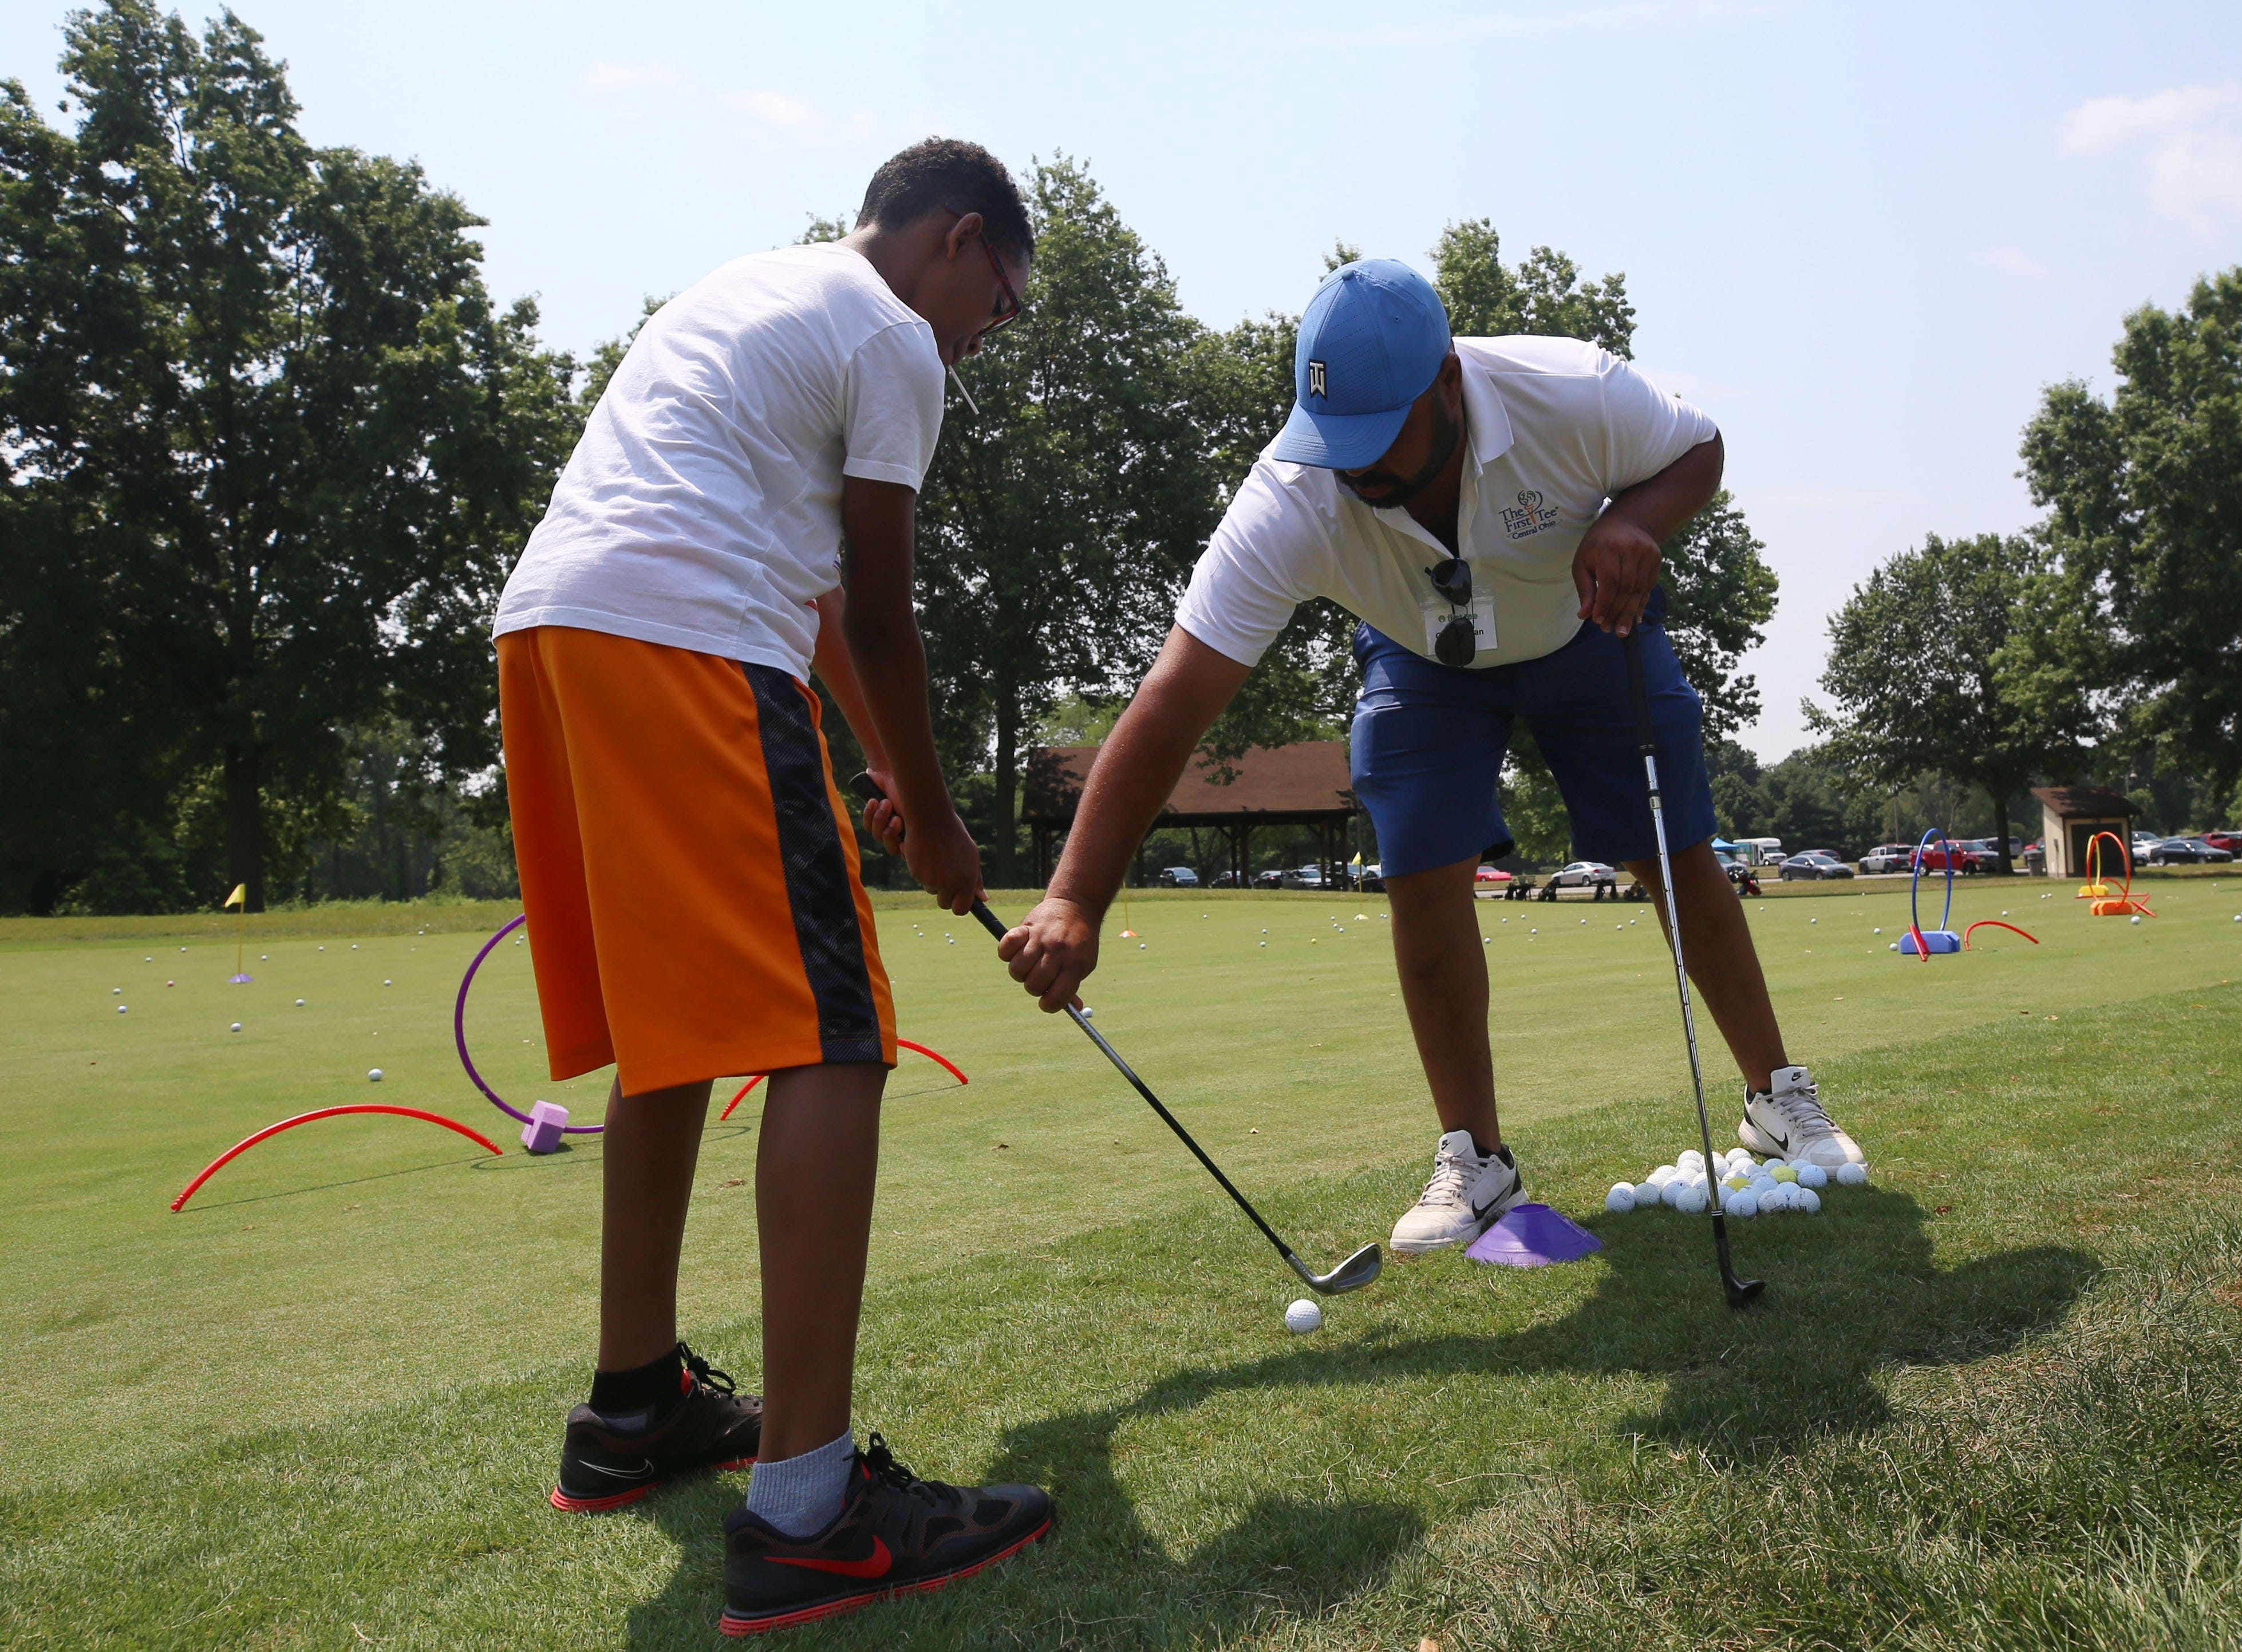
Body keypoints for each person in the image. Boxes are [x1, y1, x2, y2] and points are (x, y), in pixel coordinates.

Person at [983, 259, 1861, 1255]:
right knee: (1420, 861)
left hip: (1588, 622)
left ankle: (1774, 1096)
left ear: (1448, 381)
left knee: (1673, 847)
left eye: (1379, 439)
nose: (1357, 472)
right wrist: (1073, 898)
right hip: (1424, 656)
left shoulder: (1571, 391)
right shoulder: (1294, 496)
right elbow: (1174, 700)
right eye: (1338, 444)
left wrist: (1635, 519)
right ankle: (1475, 1156)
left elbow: (1699, 449)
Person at [491, 139, 1052, 1635]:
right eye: (998, 303)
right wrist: (936, 822)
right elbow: (878, 602)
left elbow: (814, 610)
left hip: (557, 635)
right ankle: (808, 1506)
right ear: (954, 240)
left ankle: (632, 1408)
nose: (983, 337)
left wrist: (879, 765)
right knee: (834, 1032)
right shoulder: (889, 338)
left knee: (677, 1031)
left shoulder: (753, 292)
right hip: (679, 638)